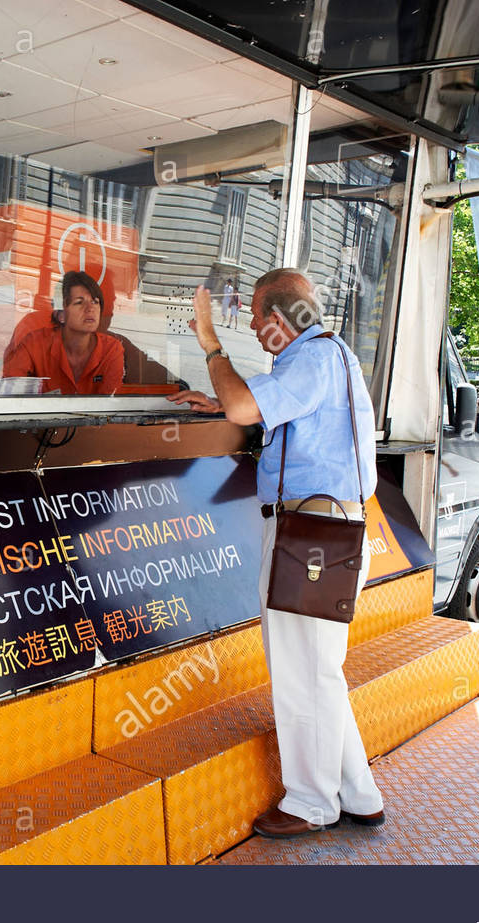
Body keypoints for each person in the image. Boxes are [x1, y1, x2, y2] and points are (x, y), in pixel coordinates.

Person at [169, 267, 384, 838]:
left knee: (302, 673)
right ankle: (358, 793)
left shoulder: (310, 360)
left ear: (276, 318)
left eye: (255, 319)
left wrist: (212, 344)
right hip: (327, 528)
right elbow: (255, 409)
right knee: (320, 671)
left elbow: (243, 408)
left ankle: (312, 803)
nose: (253, 329)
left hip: (311, 534)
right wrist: (228, 405)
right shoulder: (331, 356)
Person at [1, 270, 124, 394]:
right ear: (61, 315)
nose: (90, 309)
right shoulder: (35, 343)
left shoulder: (111, 349)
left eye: (95, 302)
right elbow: (9, 391)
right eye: (79, 302)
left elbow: (109, 405)